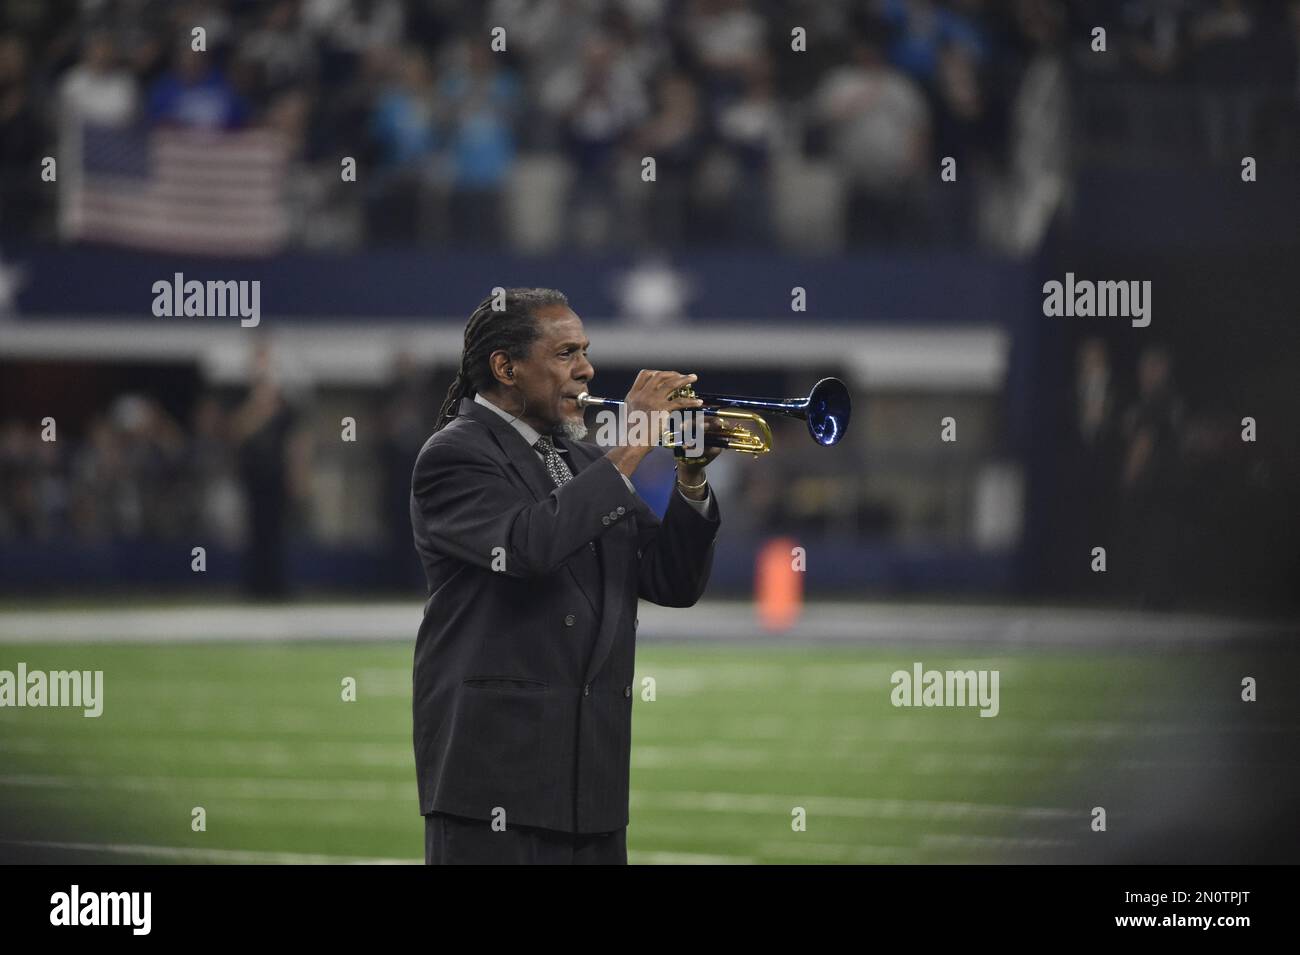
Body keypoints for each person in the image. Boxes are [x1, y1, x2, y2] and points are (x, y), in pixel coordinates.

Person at [410, 287, 723, 864]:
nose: (587, 368)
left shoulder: (581, 460)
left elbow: (671, 582)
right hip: (496, 785)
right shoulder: (454, 454)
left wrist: (692, 479)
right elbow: (529, 546)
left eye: (585, 350)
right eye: (565, 353)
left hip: (592, 783)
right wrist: (630, 448)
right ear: (505, 367)